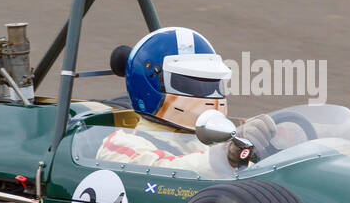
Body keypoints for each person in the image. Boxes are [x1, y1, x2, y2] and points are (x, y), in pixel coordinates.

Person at [96, 27, 276, 173]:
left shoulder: (214, 140)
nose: (208, 94)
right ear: (153, 85)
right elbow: (167, 172)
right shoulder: (119, 145)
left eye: (213, 84)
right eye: (194, 84)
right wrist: (225, 156)